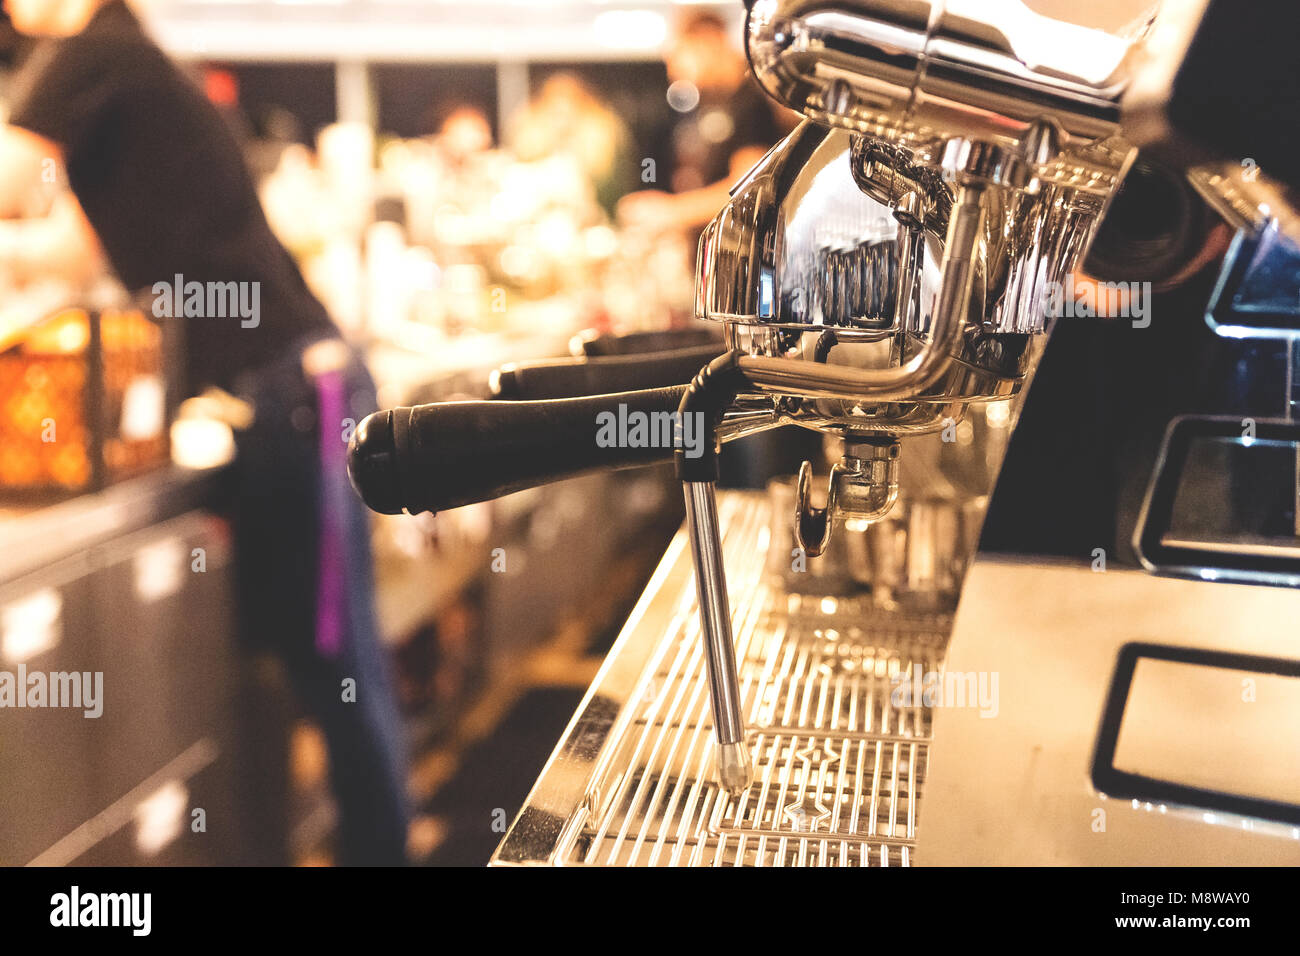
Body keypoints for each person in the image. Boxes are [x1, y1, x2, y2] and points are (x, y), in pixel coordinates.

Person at [0, 0, 410, 865]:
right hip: (282, 390)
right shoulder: (133, 74)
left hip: (294, 391)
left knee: (337, 666)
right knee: (306, 662)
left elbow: (7, 180)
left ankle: (383, 855)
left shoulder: (93, 49)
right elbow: (70, 252)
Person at [618, 10, 793, 236]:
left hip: (748, 244)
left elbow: (748, 189)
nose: (674, 68)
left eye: (681, 52)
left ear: (709, 41)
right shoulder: (713, 104)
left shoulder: (752, 102)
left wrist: (671, 211)